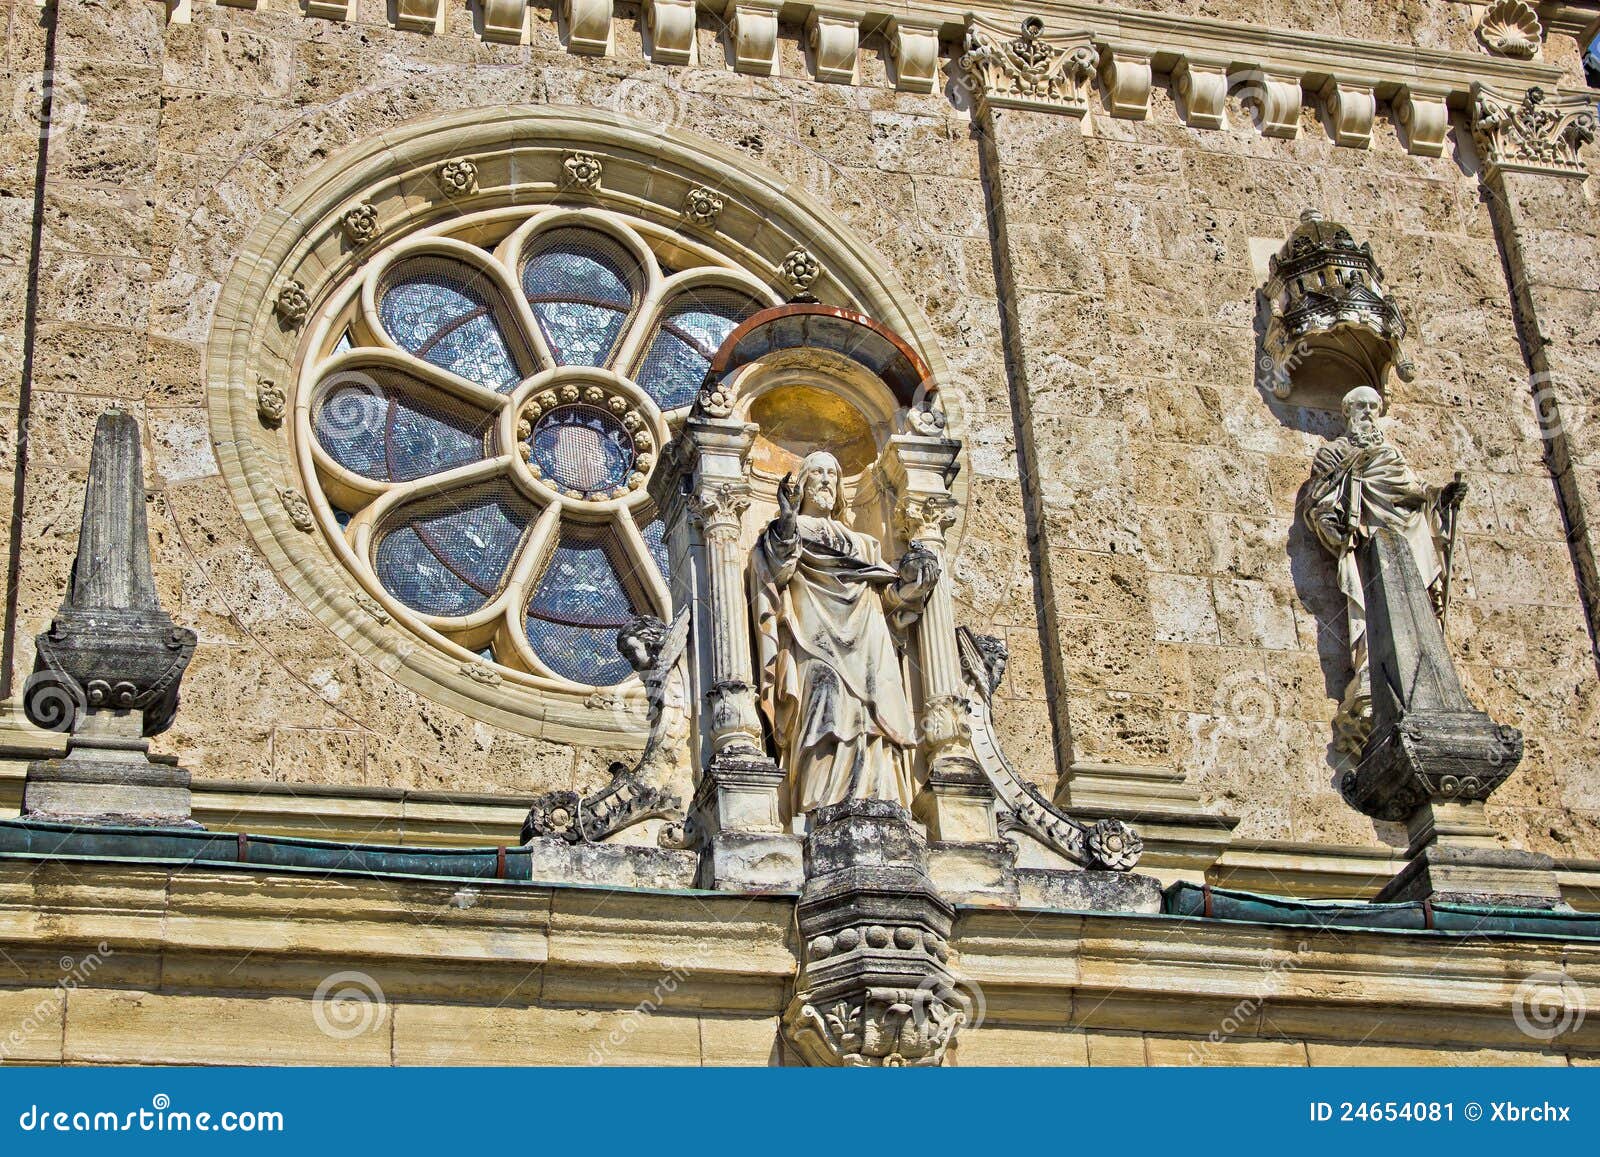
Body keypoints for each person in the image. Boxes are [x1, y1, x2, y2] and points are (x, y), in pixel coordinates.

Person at [749, 451, 938, 815]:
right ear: (801, 484)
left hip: (869, 639)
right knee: (824, 698)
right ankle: (820, 802)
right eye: (816, 472)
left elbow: (888, 599)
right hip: (813, 637)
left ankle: (878, 796)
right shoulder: (787, 531)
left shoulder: (864, 544)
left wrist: (913, 587)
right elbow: (777, 570)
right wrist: (787, 518)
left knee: (872, 715)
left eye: (831, 474)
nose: (825, 480)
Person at [1304, 386, 1466, 749]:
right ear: (1347, 412)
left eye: (1373, 407)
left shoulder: (1390, 454)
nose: (1368, 413)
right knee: (1367, 603)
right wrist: (1337, 526)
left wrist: (1442, 497)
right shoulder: (1334, 454)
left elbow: (1414, 491)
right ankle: (1368, 671)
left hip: (1400, 543)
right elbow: (1319, 500)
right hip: (1363, 544)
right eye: (1360, 407)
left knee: (1412, 602)